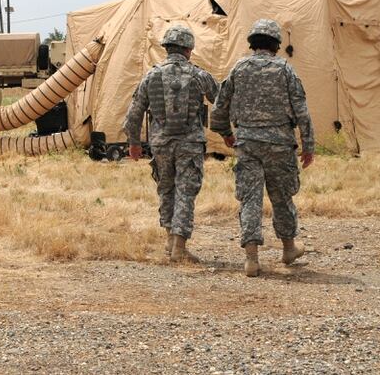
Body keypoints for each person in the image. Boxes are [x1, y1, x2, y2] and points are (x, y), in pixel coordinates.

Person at [211, 19, 315, 277]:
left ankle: (251, 259)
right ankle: (289, 248)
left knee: (250, 199)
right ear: (276, 45)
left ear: (252, 43)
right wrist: (308, 145)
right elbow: (302, 112)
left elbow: (218, 107)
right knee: (282, 198)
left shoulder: (238, 68)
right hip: (280, 143)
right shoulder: (285, 70)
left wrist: (226, 134)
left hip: (247, 143)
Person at [123, 24, 218, 262]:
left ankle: (169, 241)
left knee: (166, 189)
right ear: (188, 49)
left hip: (161, 144)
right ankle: (179, 246)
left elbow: (133, 116)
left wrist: (134, 143)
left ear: (166, 48)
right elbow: (221, 99)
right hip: (189, 144)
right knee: (186, 192)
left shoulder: (151, 76)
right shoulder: (199, 75)